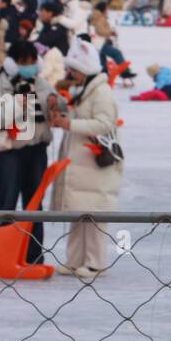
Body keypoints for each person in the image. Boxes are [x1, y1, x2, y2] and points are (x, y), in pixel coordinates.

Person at [48, 40, 122, 279]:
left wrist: (70, 123)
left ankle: (95, 262)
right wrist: (64, 117)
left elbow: (104, 124)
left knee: (93, 216)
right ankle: (75, 260)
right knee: (78, 214)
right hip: (82, 165)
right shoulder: (86, 91)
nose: (71, 74)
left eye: (74, 70)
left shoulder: (102, 93)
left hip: (95, 165)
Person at [0, 40, 57, 265]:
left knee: (34, 204)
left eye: (32, 60)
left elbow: (57, 105)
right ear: (13, 63)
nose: (29, 65)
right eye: (24, 61)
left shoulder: (41, 84)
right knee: (6, 204)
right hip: (10, 153)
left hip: (36, 151)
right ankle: (2, 255)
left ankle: (33, 255)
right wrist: (17, 106)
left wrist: (56, 103)